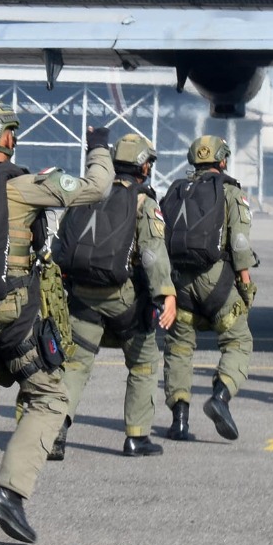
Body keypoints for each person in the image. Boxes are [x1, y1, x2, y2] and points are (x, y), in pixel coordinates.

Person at [0, 100, 112, 545]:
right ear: (5, 139)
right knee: (50, 398)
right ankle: (9, 492)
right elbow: (97, 188)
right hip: (9, 318)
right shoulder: (24, 186)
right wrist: (100, 148)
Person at [53, 133, 176, 458]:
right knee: (144, 363)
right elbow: (151, 253)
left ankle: (55, 433)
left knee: (76, 365)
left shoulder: (89, 193)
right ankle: (136, 437)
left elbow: (63, 239)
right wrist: (166, 294)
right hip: (123, 297)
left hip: (81, 295)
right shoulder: (142, 202)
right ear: (142, 167)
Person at [161, 135, 257, 442]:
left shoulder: (177, 191)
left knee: (179, 347)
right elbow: (239, 243)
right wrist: (245, 282)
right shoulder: (230, 192)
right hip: (216, 282)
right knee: (238, 340)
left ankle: (179, 421)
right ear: (223, 160)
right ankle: (221, 396)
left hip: (179, 282)